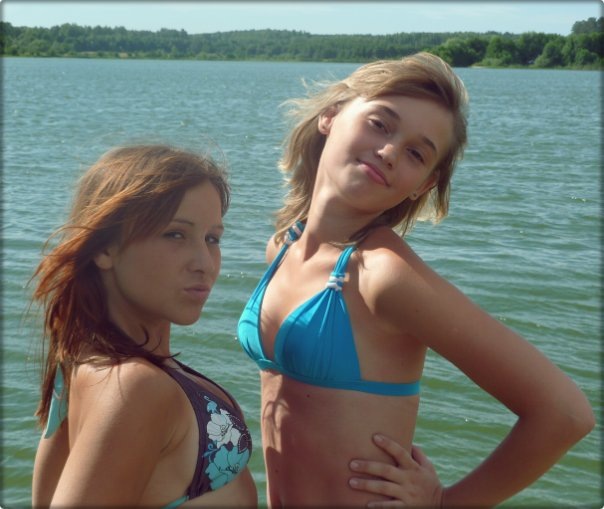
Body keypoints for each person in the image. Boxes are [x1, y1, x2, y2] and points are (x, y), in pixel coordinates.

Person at [237, 52, 595, 507]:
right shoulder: (282, 245)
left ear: (423, 184)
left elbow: (564, 413)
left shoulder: (383, 275)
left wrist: (445, 503)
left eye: (415, 153)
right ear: (331, 115)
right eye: (380, 124)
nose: (388, 152)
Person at [30, 145, 257, 508]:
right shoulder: (134, 387)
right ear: (106, 249)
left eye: (212, 238)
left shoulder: (79, 360)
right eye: (176, 235)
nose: (205, 263)